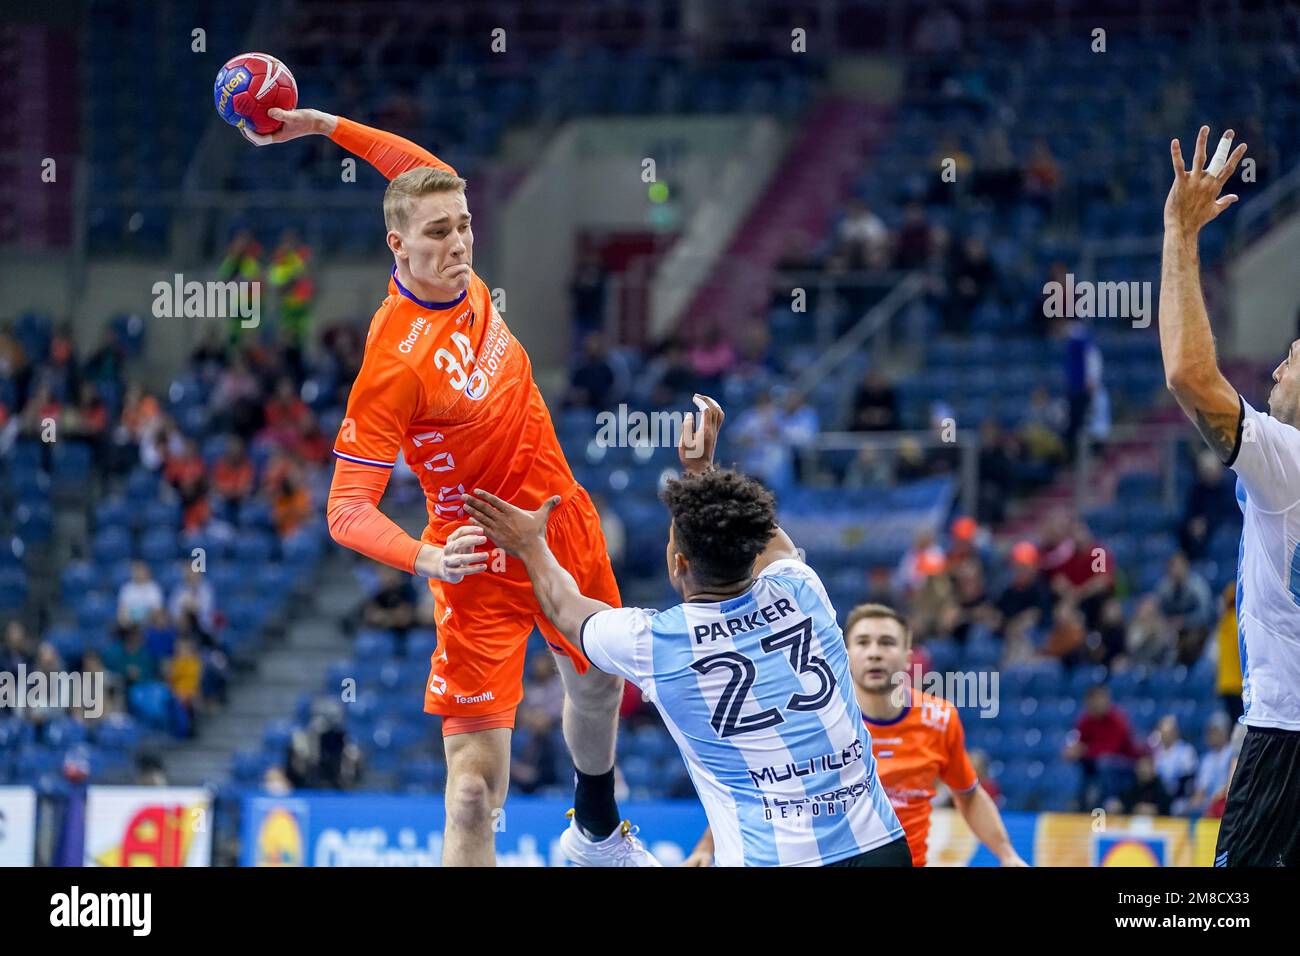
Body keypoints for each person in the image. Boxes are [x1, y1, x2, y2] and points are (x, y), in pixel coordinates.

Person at [246, 103, 652, 866]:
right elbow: (344, 510)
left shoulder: (459, 268)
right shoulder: (392, 364)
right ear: (397, 247)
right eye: (439, 233)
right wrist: (428, 560)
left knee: (596, 691)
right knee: (470, 796)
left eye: (464, 224)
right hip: (470, 562)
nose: (460, 241)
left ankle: (596, 825)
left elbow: (416, 171)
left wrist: (321, 125)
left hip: (559, 522)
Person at [464, 396, 909, 867]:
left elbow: (563, 607)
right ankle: (606, 844)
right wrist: (704, 471)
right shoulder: (802, 591)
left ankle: (608, 846)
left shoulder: (656, 642)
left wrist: (530, 546)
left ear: (678, 563)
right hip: (880, 847)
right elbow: (762, 536)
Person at [1159, 125, 1300, 865]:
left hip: (1287, 738)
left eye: (1294, 358)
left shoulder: (1288, 458)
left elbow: (1188, 374)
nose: (1278, 365)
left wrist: (1179, 233)